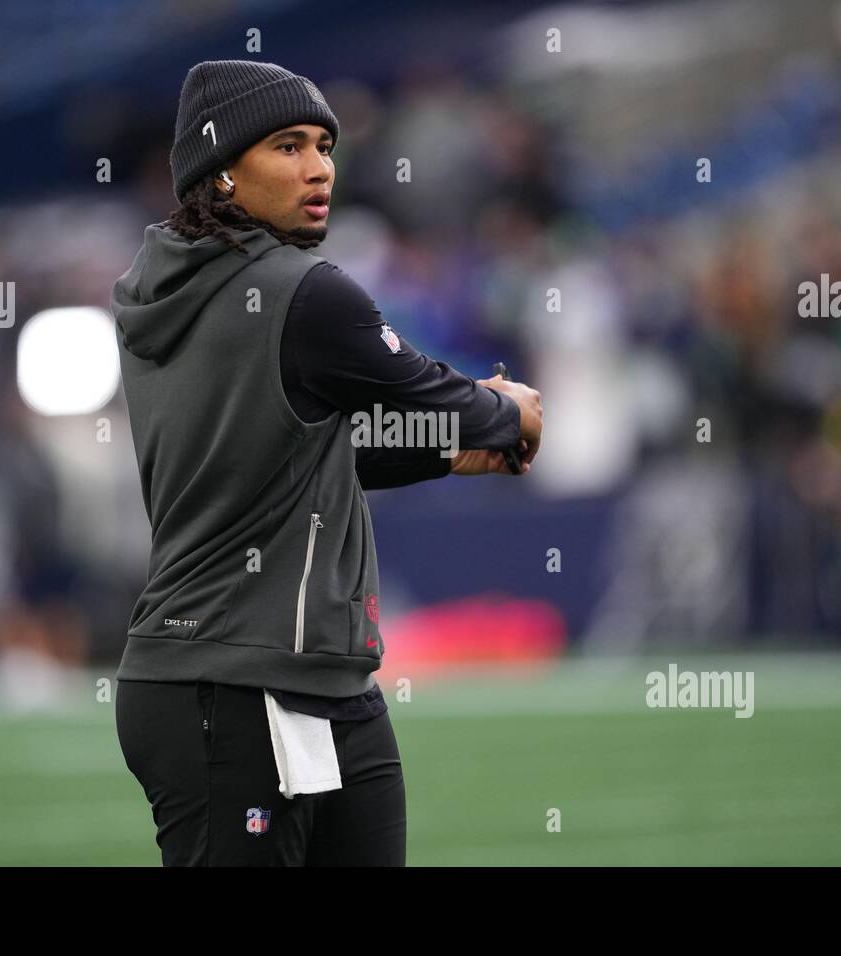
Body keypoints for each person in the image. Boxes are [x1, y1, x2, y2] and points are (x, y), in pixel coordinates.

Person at [111, 59, 543, 866]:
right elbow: (428, 392)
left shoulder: (174, 287)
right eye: (286, 146)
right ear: (222, 172)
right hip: (235, 680)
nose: (318, 169)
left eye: (323, 145)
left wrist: (448, 453)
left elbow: (309, 444)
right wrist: (504, 413)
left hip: (312, 680)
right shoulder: (300, 291)